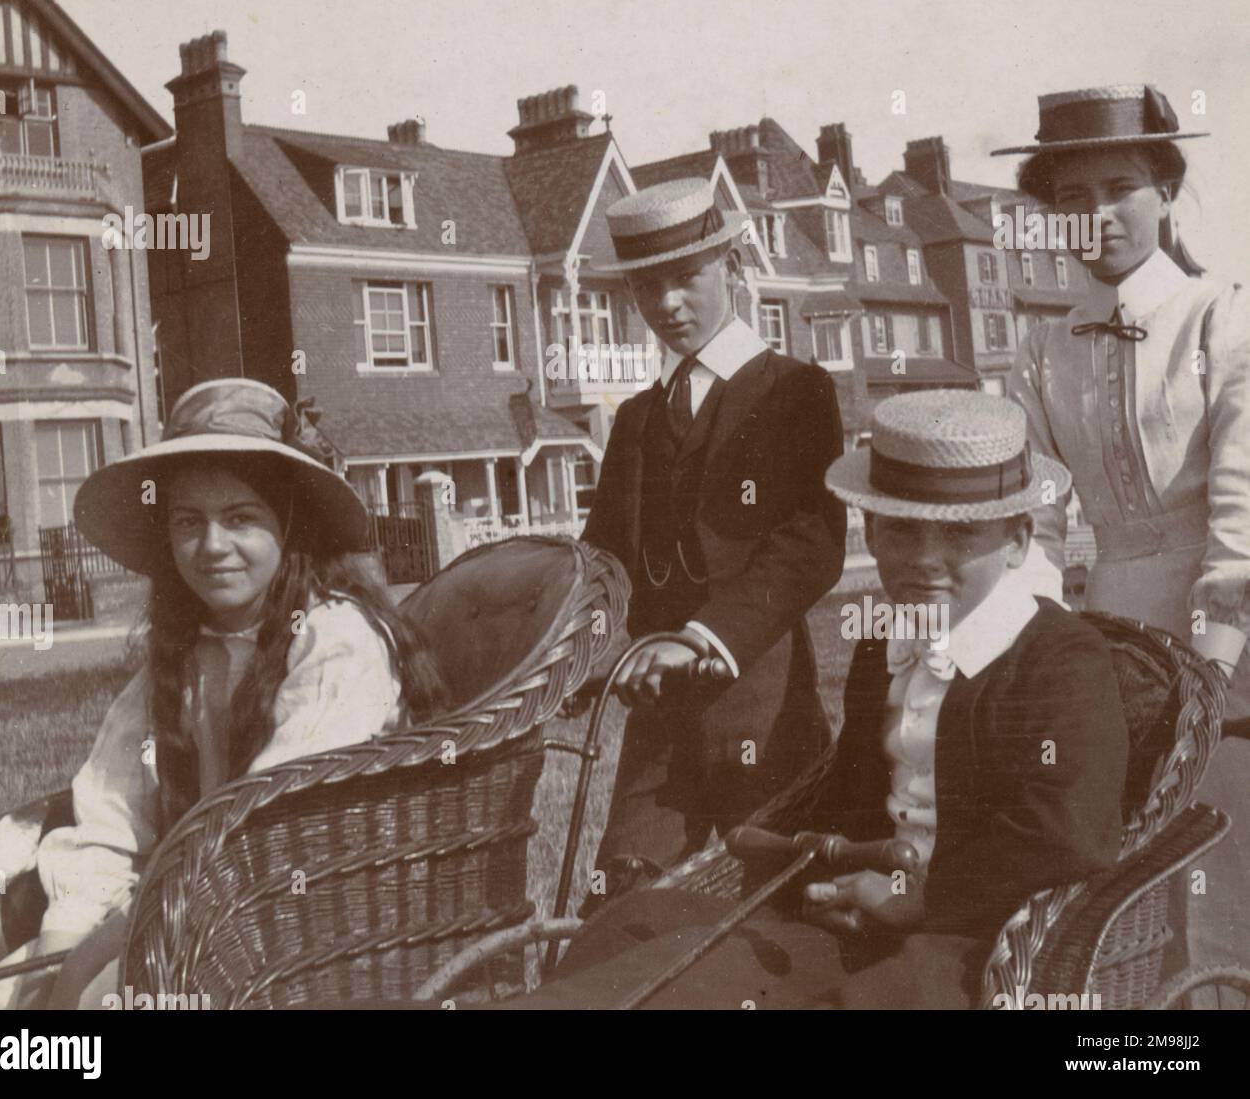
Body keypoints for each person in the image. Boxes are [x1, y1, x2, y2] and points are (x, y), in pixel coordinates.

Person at [502, 391, 1127, 1009]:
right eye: (901, 530)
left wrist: (918, 894)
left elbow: (1064, 833)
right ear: (871, 531)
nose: (925, 561)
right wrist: (814, 867)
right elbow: (853, 792)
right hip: (856, 916)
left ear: (1018, 540)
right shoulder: (885, 639)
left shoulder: (1058, 660)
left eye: (962, 535)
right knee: (637, 932)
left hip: (975, 942)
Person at [0, 378, 446, 1009]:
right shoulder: (184, 655)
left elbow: (265, 832)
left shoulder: (335, 643)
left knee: (90, 1014)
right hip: (189, 909)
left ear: (289, 524)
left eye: (241, 518)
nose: (213, 547)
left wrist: (88, 973)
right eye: (190, 522)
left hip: (298, 920)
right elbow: (110, 816)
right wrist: (57, 954)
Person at [1000, 84, 1250, 969]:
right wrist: (1030, 642)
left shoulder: (1221, 315)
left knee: (1221, 875)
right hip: (1108, 636)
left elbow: (1240, 509)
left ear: (1168, 192)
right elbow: (1029, 518)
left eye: (1121, 188)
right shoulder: (1041, 348)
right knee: (1118, 896)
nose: (1097, 215)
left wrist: (1212, 667)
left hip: (1228, 638)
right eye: (1071, 199)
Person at [580, 177, 847, 900]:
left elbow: (812, 541)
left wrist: (700, 637)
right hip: (658, 722)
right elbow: (601, 557)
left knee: (781, 905)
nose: (667, 304)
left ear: (731, 265)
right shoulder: (635, 420)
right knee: (622, 904)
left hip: (760, 705)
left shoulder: (794, 390)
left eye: (686, 278)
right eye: (646, 286)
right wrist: (579, 648)